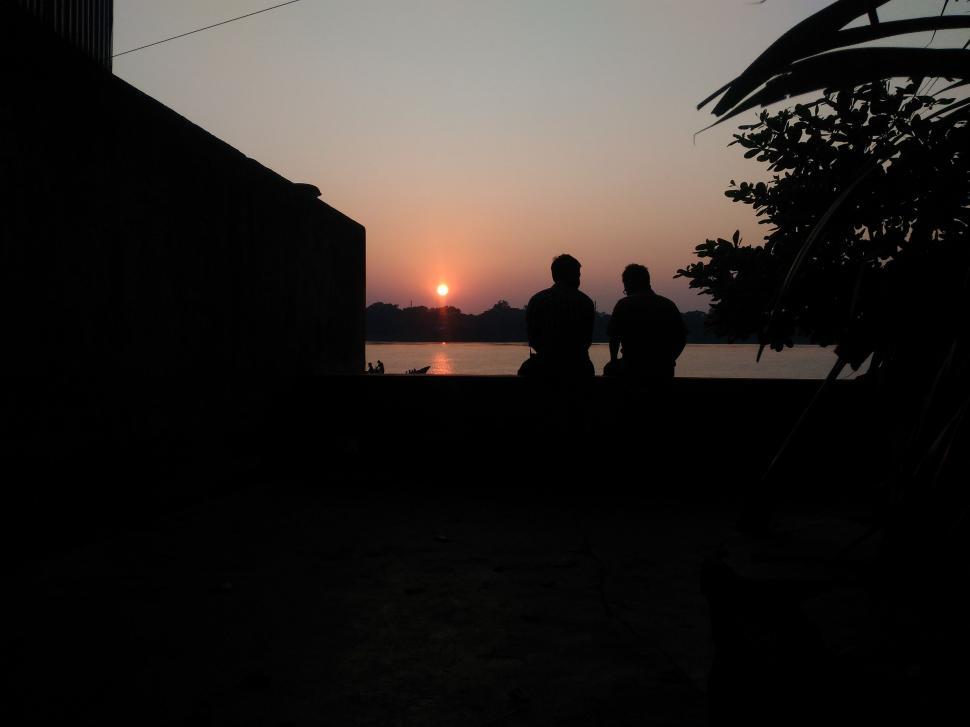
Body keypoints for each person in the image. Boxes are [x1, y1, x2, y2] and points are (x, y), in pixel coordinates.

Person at [604, 264, 686, 379]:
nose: (626, 291)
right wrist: (669, 359)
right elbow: (681, 339)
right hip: (663, 370)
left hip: (631, 367)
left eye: (625, 288)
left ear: (628, 283)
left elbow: (614, 338)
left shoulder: (624, 304)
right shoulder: (668, 305)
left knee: (609, 370)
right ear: (647, 281)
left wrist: (613, 361)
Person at [520, 254, 595, 378]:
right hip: (578, 366)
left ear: (554, 275)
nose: (579, 279)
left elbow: (533, 338)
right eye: (578, 275)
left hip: (543, 364)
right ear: (573, 276)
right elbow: (587, 340)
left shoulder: (538, 300)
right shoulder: (585, 302)